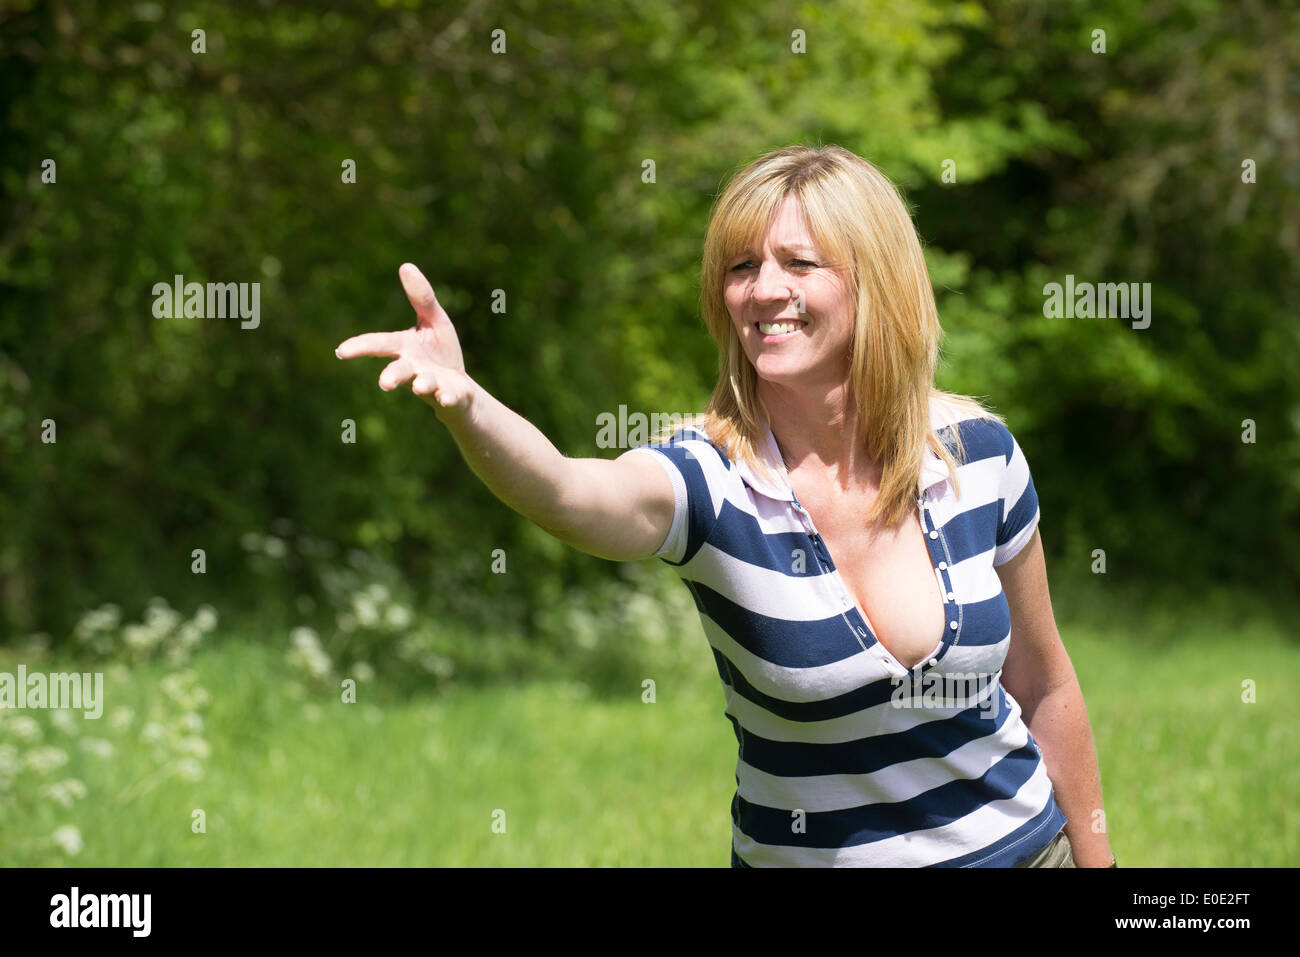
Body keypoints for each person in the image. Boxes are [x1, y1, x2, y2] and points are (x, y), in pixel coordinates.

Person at [335, 143, 1114, 868]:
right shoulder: (708, 480)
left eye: (799, 262)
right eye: (741, 266)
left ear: (875, 277)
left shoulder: (979, 453)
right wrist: (468, 406)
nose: (763, 288)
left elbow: (1045, 683)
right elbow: (571, 491)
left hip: (1021, 849)